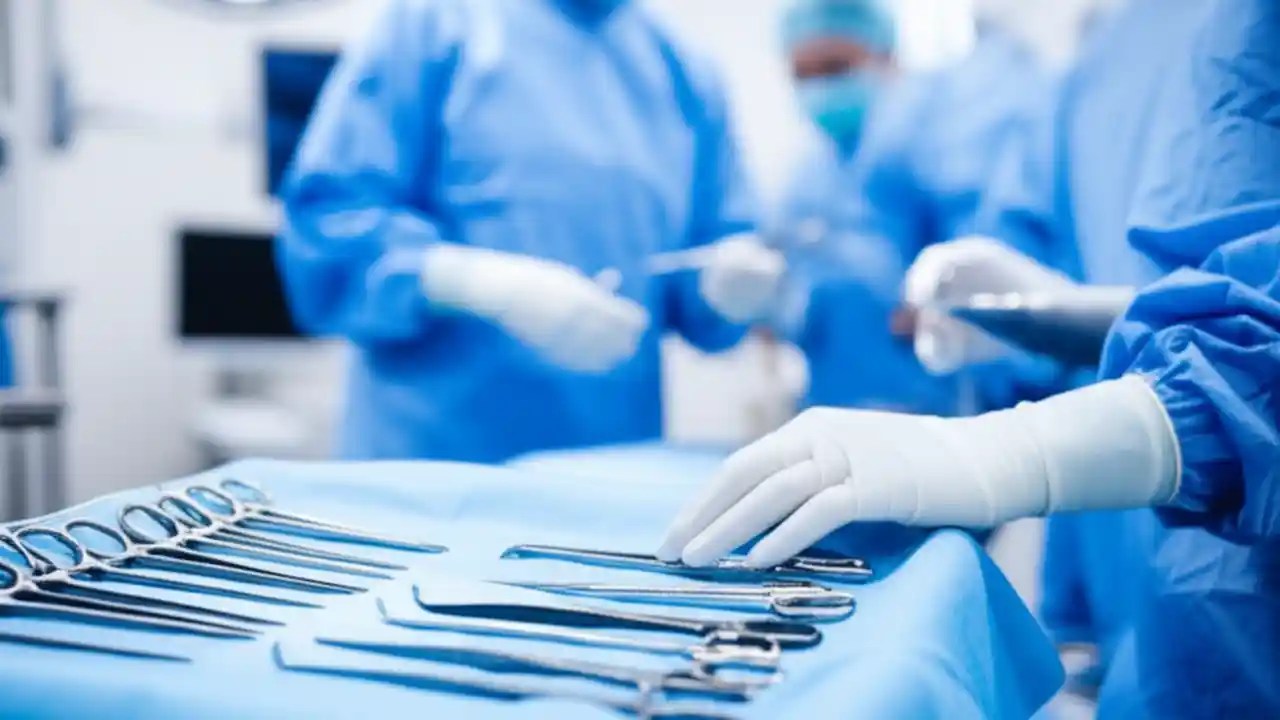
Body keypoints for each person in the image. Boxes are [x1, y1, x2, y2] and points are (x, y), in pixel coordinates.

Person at [657, 0, 1280, 715]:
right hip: (1127, 569)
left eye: (835, 67)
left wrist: (1029, 445)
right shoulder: (1106, 55)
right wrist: (1050, 318)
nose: (819, 90)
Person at [276, 0, 785, 463]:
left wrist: (726, 290)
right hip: (429, 465)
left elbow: (711, 265)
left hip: (607, 468)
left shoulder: (684, 70)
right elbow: (327, 224)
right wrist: (473, 283)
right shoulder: (434, 22)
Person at [769, 0, 1057, 415]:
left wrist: (941, 304)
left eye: (835, 68)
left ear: (885, 56)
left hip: (937, 402)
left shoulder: (929, 130)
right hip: (833, 404)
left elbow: (986, 249)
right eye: (804, 75)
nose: (820, 89)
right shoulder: (807, 175)